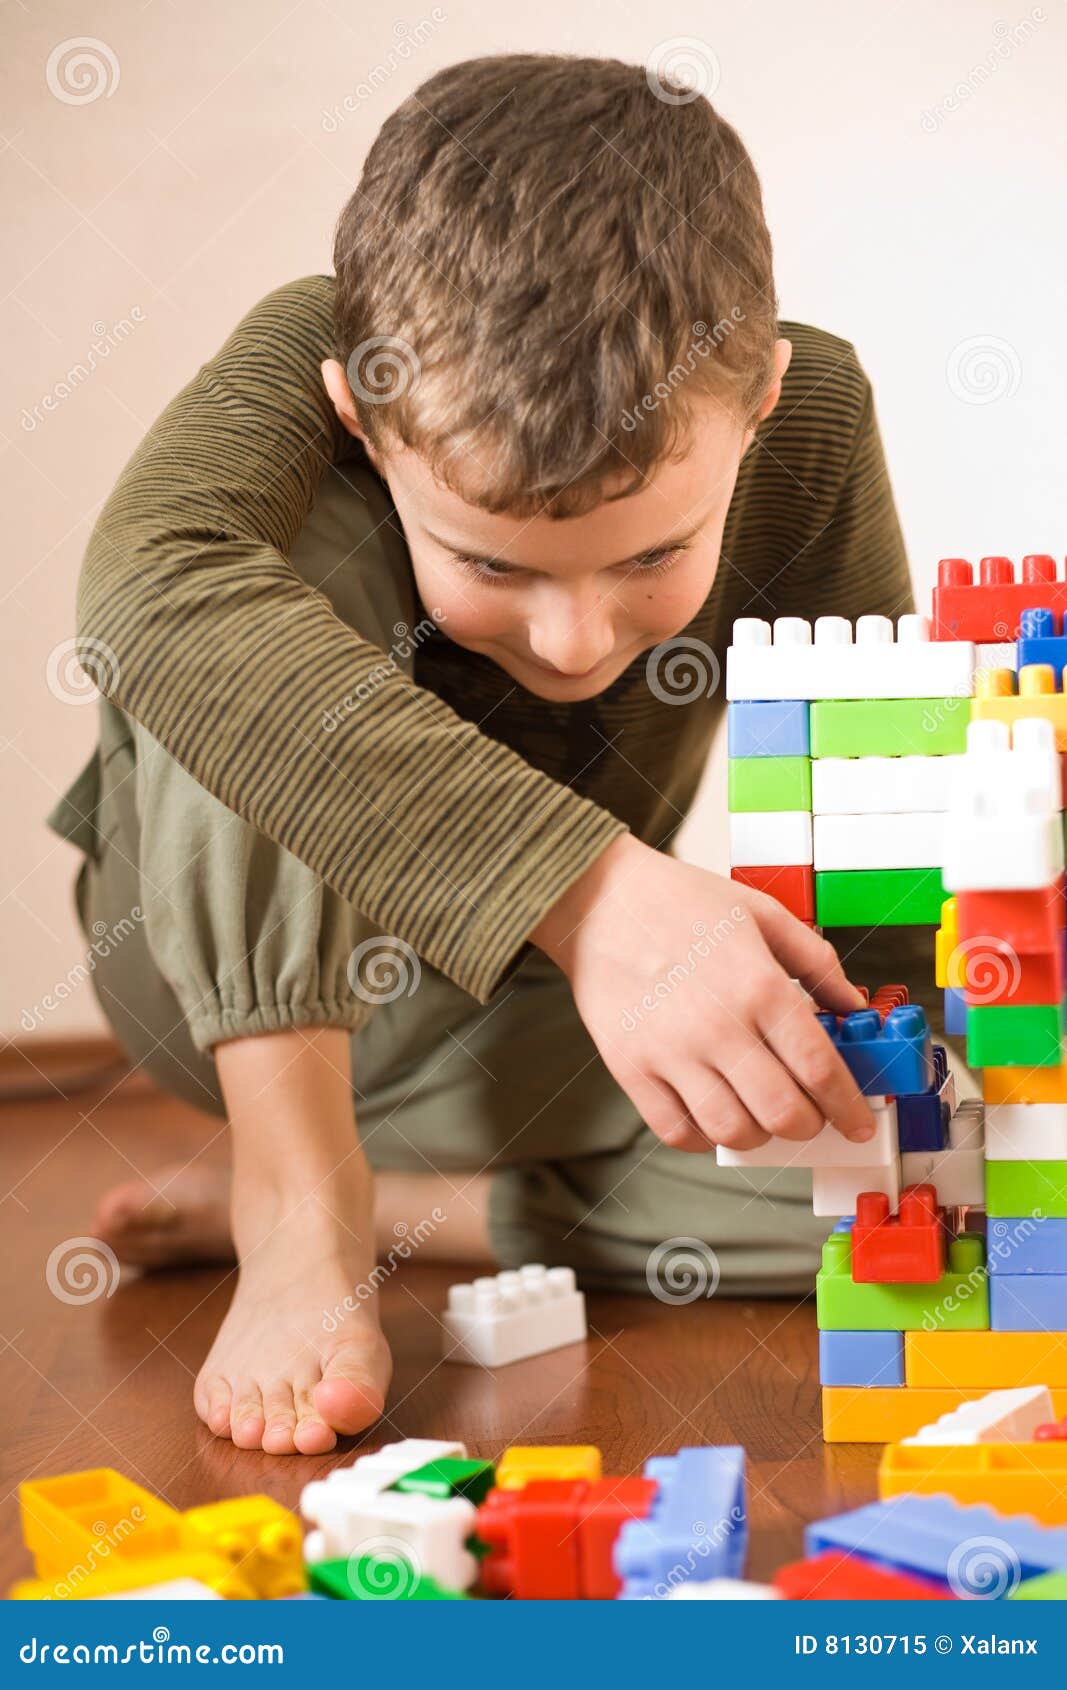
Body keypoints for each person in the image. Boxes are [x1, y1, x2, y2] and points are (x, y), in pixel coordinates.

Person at [49, 53, 922, 1456]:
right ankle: (299, 1201)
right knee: (261, 572)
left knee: (934, 1186)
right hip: (230, 976)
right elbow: (150, 590)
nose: (576, 638)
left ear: (756, 398)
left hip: (528, 1029)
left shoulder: (807, 413)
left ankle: (412, 1209)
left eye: (650, 555)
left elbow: (867, 794)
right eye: (492, 563)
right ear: (359, 401)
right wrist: (587, 888)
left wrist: (902, 1051)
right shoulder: (316, 359)